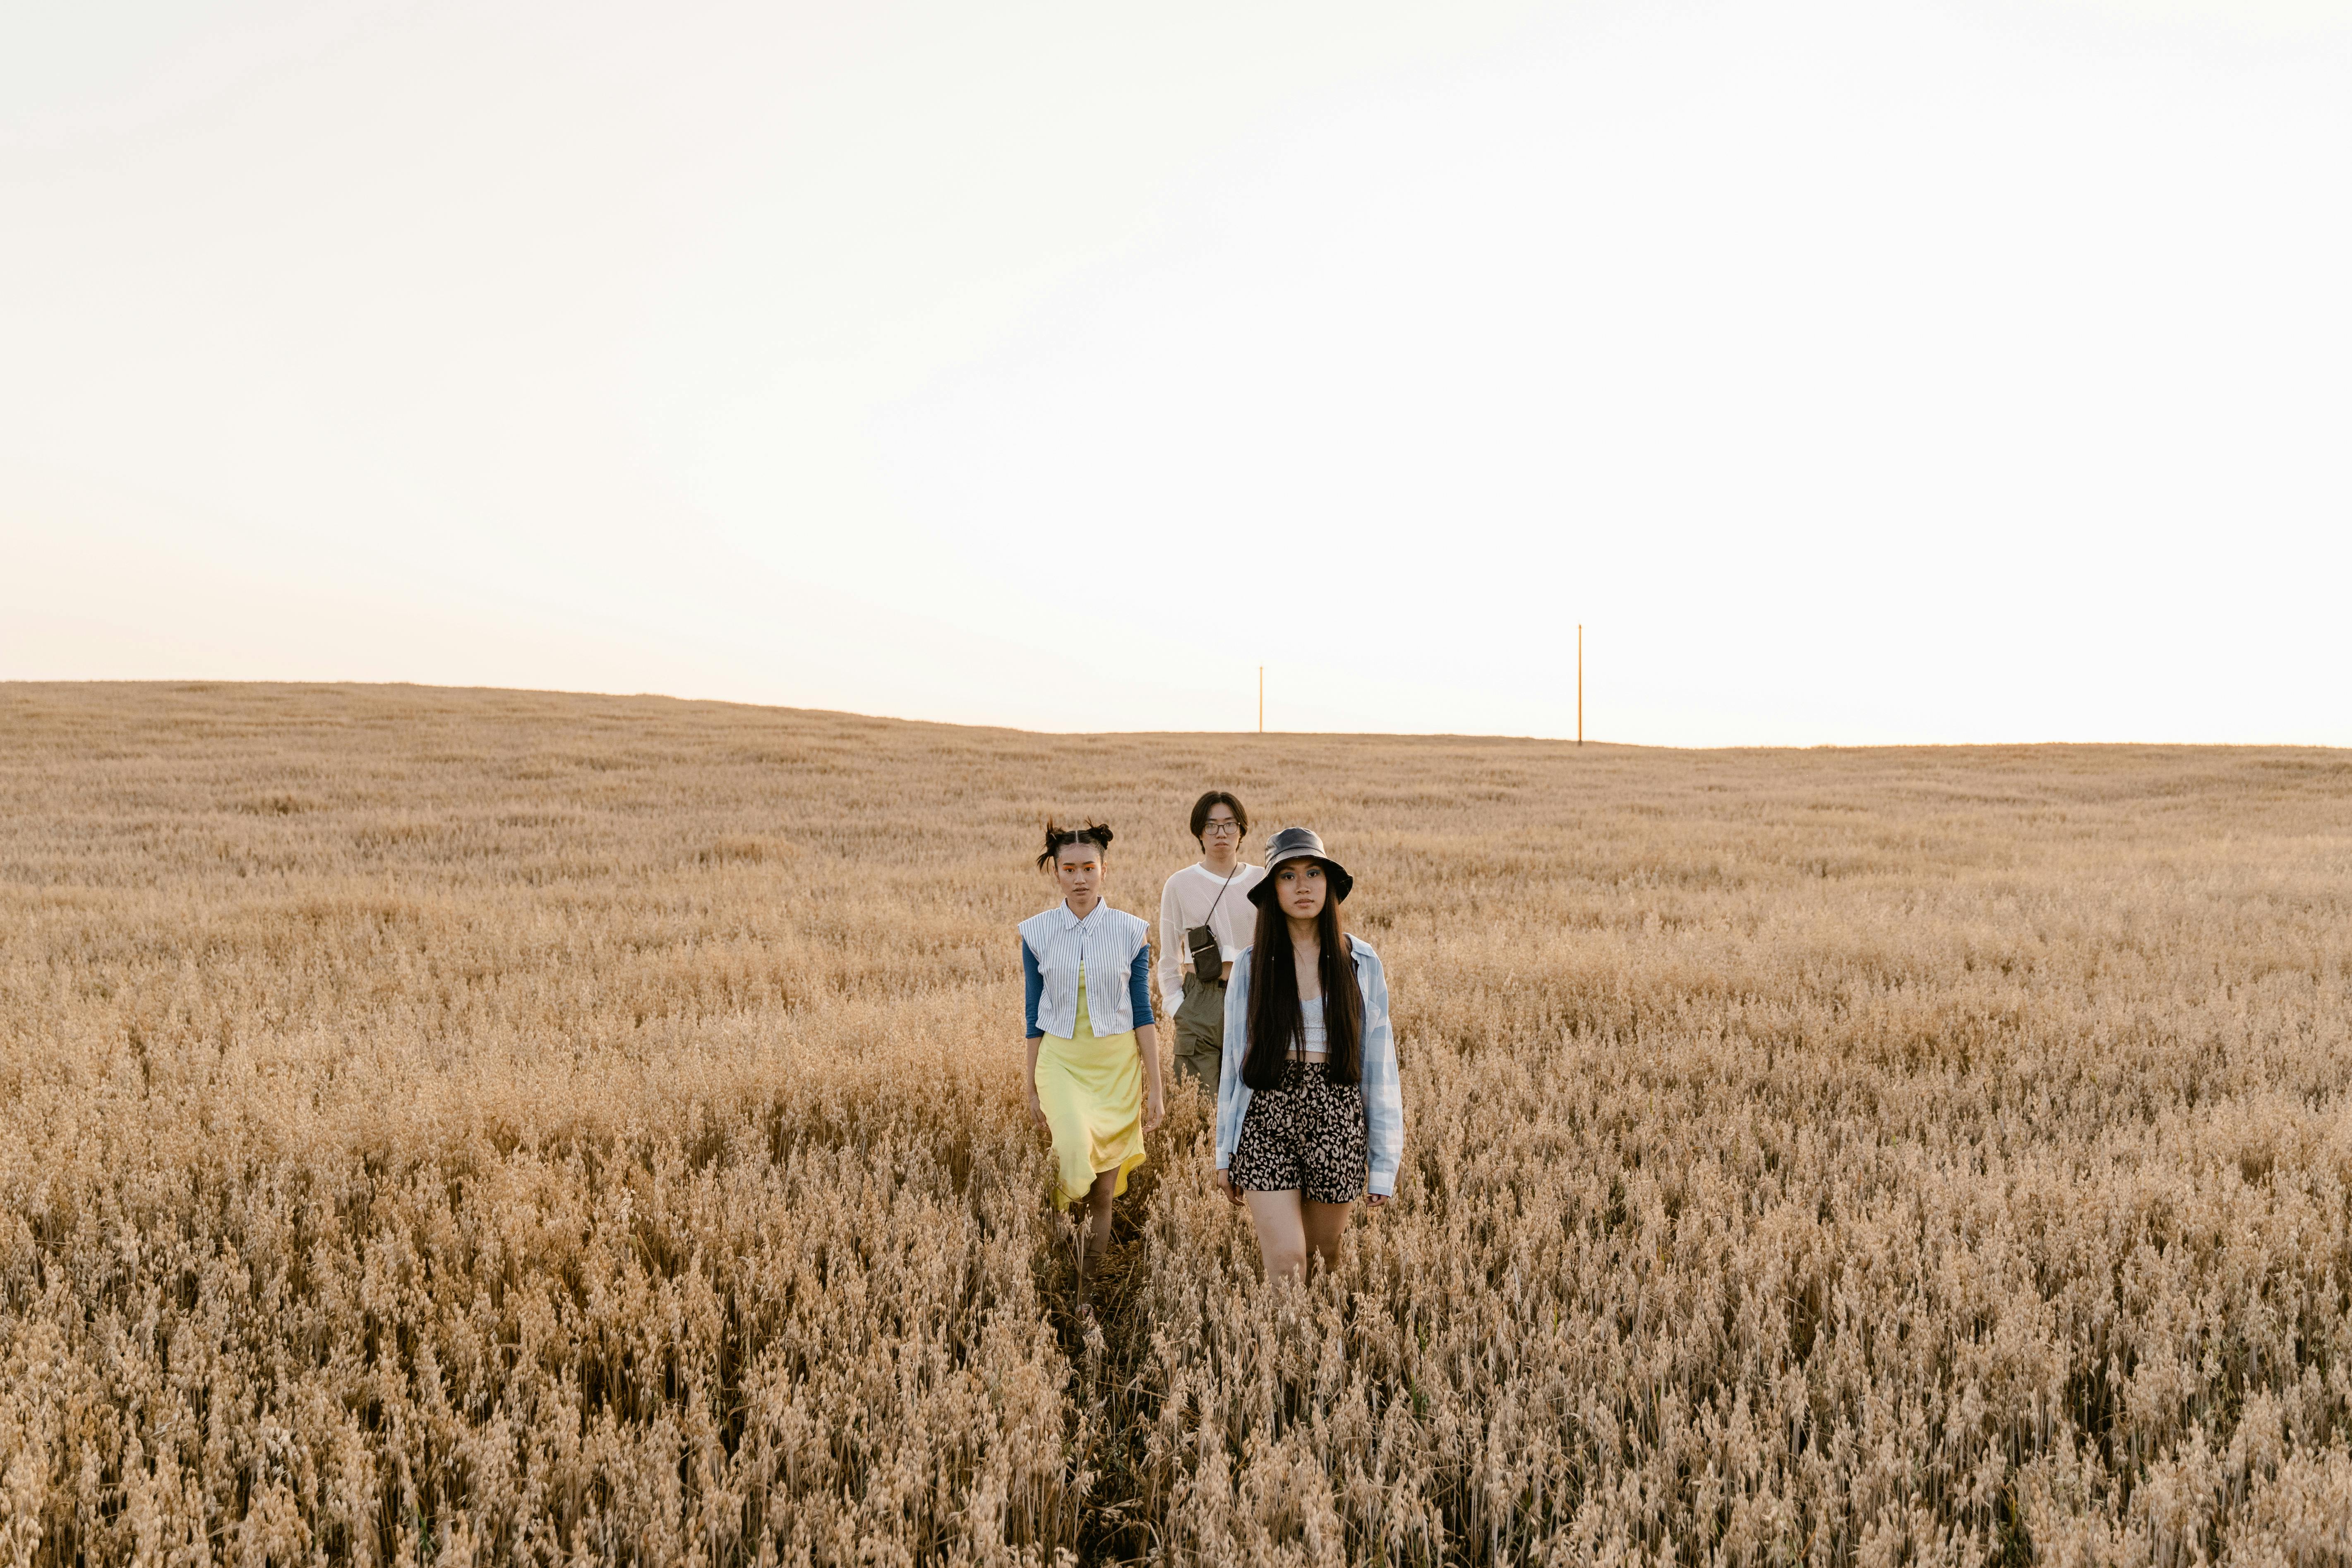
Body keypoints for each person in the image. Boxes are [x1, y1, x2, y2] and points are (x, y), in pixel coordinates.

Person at [1214, 826, 1404, 1282]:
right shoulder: (1250, 964)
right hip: (1266, 1114)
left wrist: (1383, 1165)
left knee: (1324, 1259)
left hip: (1336, 1111)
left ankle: (1313, 1349)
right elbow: (1233, 1064)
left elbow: (1379, 1068)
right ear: (1272, 891)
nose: (1303, 886)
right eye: (1288, 876)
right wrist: (1225, 1151)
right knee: (1286, 1262)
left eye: (1313, 873)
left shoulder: (1360, 962)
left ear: (1329, 884)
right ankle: (1279, 1352)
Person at [1020, 820, 1165, 1318]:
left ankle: (1086, 1290)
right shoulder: (1036, 932)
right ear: (1055, 874)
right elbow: (1032, 1014)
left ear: (1104, 870)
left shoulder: (1131, 931)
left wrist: (1156, 1089)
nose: (1079, 878)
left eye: (1088, 868)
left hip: (1116, 1070)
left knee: (1103, 1188)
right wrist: (1031, 1086)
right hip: (1060, 1063)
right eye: (1069, 869)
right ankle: (1059, 1255)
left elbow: (1143, 1013)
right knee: (1071, 1156)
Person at [1157, 790, 1263, 1093]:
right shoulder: (1180, 884)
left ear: (1241, 830)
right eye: (1212, 825)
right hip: (1199, 998)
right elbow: (1168, 956)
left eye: (1230, 825)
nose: (1221, 833)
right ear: (1199, 832)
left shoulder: (1263, 879)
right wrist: (1178, 1007)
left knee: (1251, 1103)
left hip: (1252, 994)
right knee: (1203, 1106)